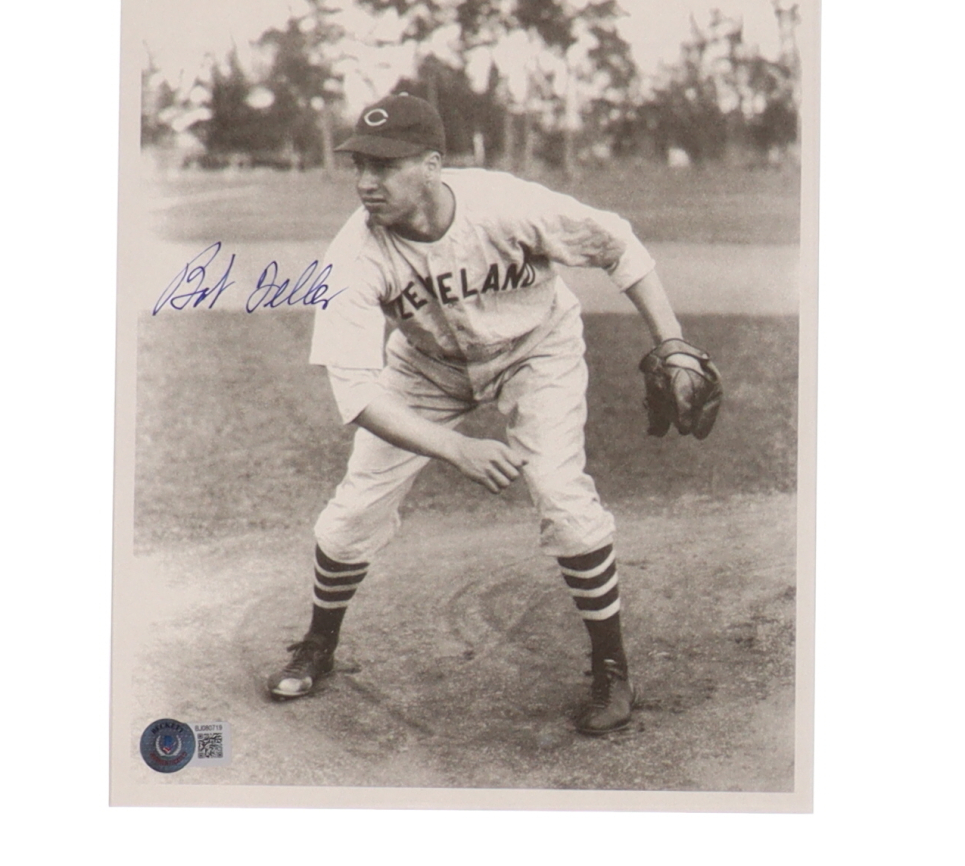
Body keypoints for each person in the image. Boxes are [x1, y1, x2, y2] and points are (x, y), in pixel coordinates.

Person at [266, 93, 720, 735]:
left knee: (561, 493)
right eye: (359, 165)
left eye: (385, 166)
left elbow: (619, 245)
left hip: (538, 348)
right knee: (352, 512)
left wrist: (669, 343)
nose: (367, 182)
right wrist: (457, 449)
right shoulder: (354, 254)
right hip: (426, 365)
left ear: (431, 165)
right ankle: (318, 644)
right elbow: (359, 397)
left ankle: (611, 667)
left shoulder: (508, 206)